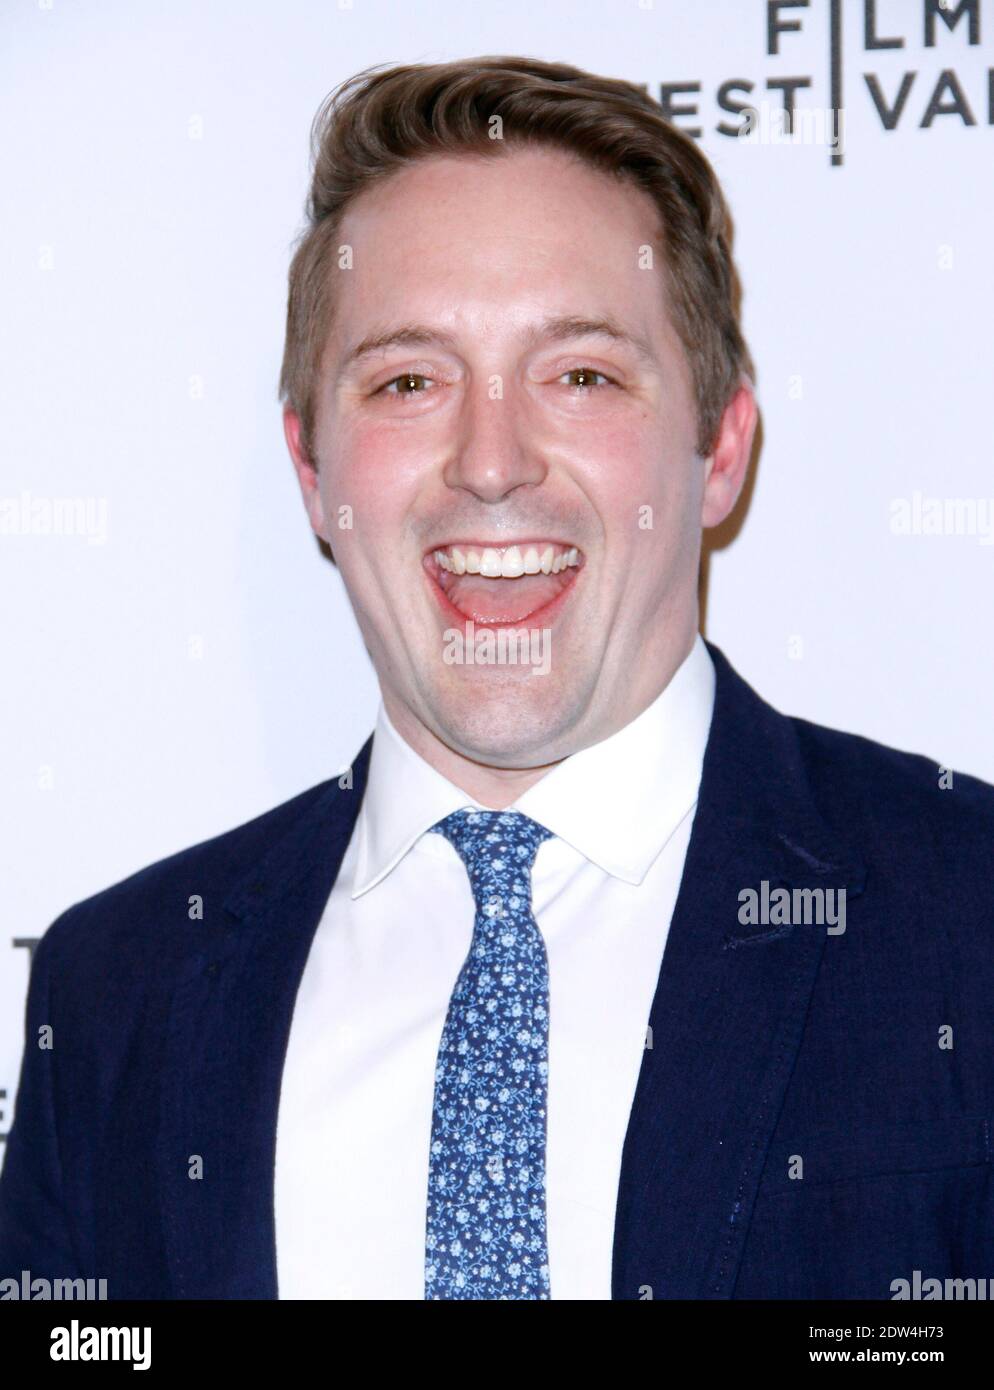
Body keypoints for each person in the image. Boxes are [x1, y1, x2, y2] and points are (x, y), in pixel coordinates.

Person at [2, 56, 992, 1302]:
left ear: (721, 447)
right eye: (407, 380)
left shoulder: (968, 914)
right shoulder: (117, 995)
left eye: (579, 374)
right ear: (314, 470)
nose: (490, 461)